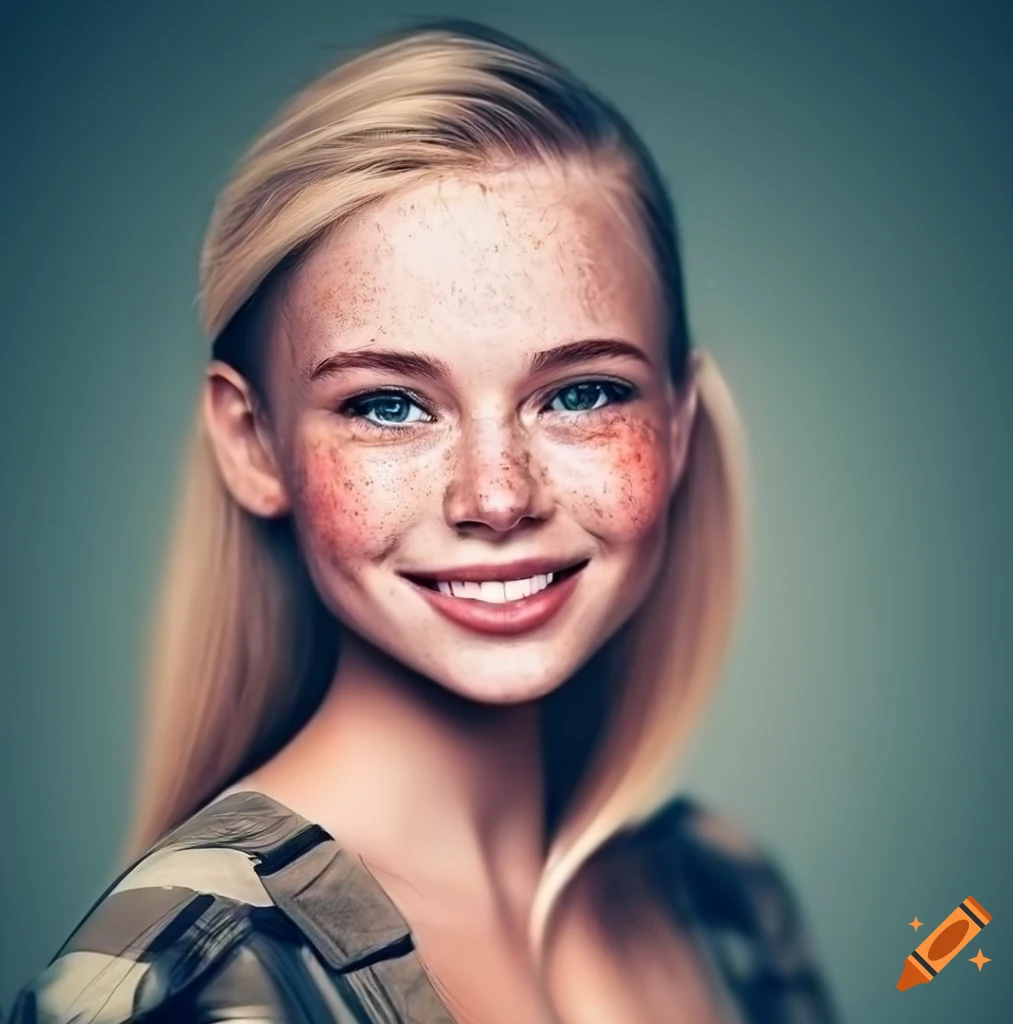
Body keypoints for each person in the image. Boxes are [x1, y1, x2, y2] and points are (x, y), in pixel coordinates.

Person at [6, 18, 839, 1024]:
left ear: (679, 420)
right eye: (388, 404)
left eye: (579, 394)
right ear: (252, 442)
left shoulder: (722, 898)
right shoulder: (186, 987)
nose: (495, 497)